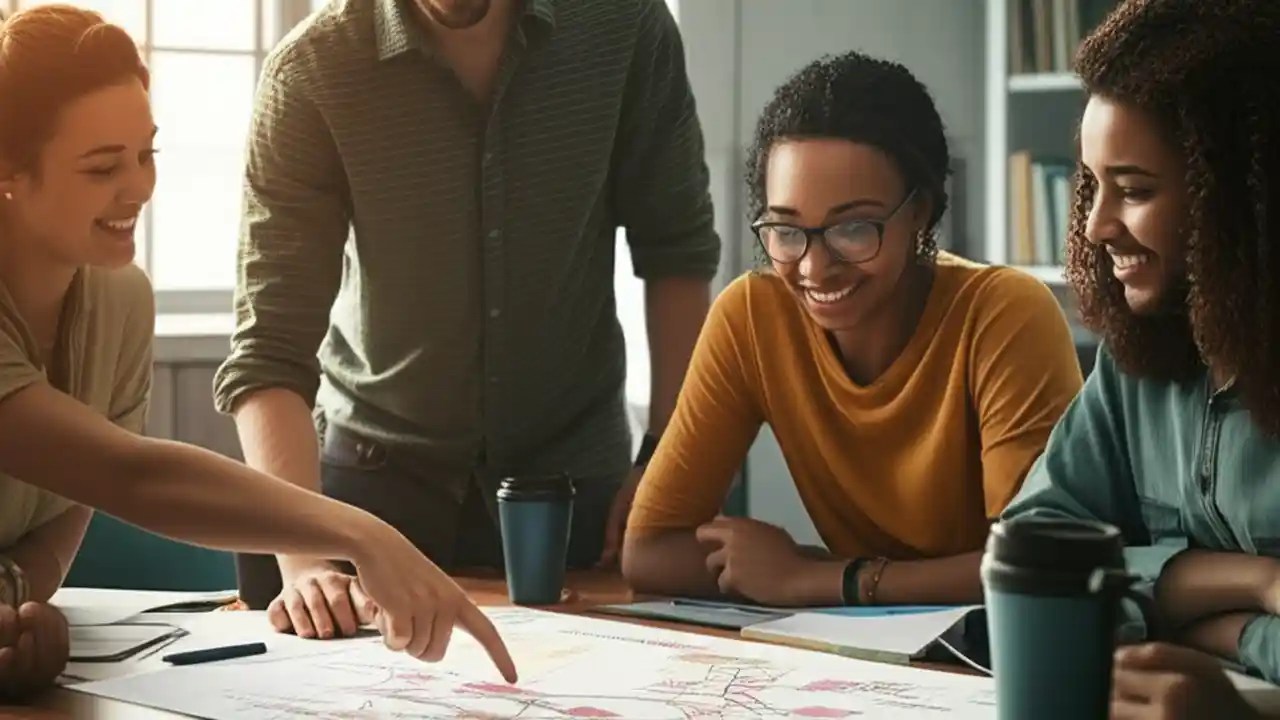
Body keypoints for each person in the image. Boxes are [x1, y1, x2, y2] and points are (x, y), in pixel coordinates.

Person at [0, 5, 515, 700]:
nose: (142, 187)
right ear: (10, 171)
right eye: (101, 167)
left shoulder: (121, 302)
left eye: (148, 153)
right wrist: (364, 536)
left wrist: (18, 611)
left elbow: (70, 506)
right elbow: (130, 476)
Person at [213, 0, 719, 640]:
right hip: (372, 495)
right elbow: (268, 347)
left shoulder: (625, 27)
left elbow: (678, 252)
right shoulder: (312, 71)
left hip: (577, 497)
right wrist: (306, 557)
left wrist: (665, 460)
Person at [621, 50, 1084, 608]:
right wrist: (828, 576)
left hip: (999, 655)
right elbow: (648, 552)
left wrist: (816, 580)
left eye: (854, 228)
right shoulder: (750, 316)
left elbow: (1041, 565)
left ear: (922, 212)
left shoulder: (1006, 314)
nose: (815, 268)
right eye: (787, 231)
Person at [996, 0, 1280, 716]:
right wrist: (1252, 584)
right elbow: (1032, 566)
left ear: (1246, 199)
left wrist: (1222, 635)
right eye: (1093, 184)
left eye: (1137, 190)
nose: (1095, 225)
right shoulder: (1136, 359)